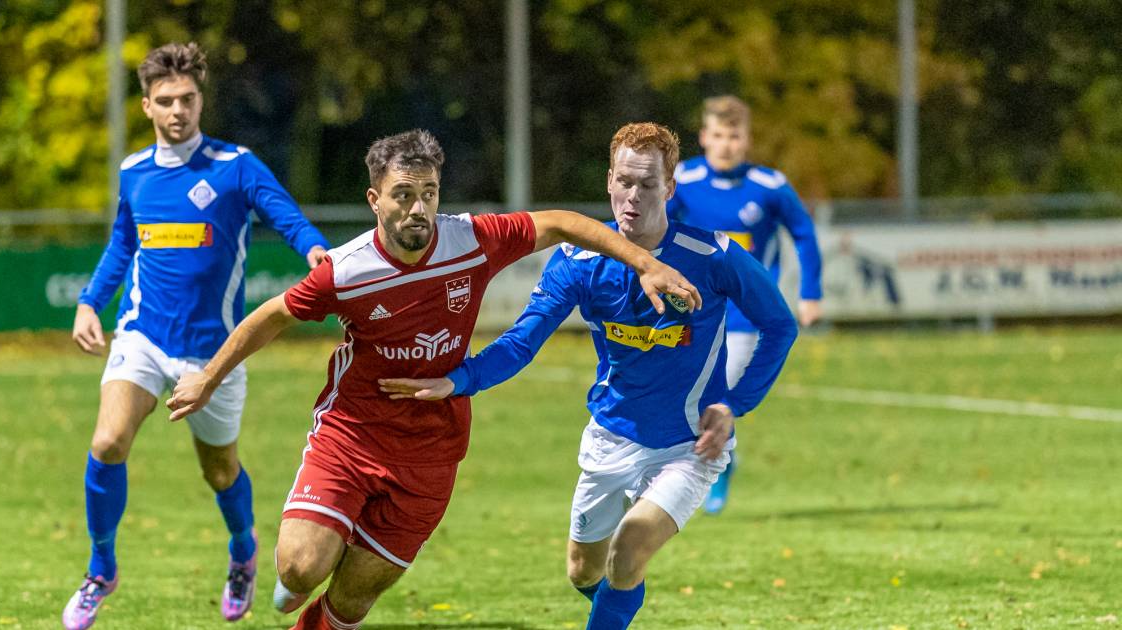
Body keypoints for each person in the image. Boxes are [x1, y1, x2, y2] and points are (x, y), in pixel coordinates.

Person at [164, 129, 700, 630]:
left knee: (351, 600)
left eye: (429, 192)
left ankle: (335, 561)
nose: (418, 208)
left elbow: (562, 221)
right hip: (352, 436)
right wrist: (208, 378)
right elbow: (274, 314)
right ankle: (317, 549)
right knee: (301, 567)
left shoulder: (469, 240)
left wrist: (642, 263)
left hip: (431, 450)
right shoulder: (346, 271)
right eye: (402, 194)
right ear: (375, 201)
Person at [379, 122, 798, 629]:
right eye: (624, 181)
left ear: (669, 187)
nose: (633, 196)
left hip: (687, 446)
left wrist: (734, 404)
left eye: (647, 184)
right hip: (609, 438)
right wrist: (460, 380)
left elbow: (779, 325)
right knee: (583, 572)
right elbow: (522, 341)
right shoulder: (578, 262)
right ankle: (615, 612)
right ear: (608, 180)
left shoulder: (714, 257)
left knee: (628, 550)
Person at [64, 42, 329, 629]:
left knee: (219, 470)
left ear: (200, 99)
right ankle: (101, 567)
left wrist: (313, 248)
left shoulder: (235, 166)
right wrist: (89, 302)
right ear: (147, 106)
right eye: (166, 101)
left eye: (187, 98)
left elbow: (282, 212)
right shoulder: (134, 174)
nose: (178, 110)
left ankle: (242, 550)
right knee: (107, 442)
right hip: (143, 337)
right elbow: (122, 247)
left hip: (215, 353)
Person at [667, 95, 823, 513]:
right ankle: (708, 461)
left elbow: (803, 234)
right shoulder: (682, 179)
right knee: (684, 393)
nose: (725, 145)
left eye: (734, 136)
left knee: (719, 395)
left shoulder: (769, 186)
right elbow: (654, 225)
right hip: (692, 307)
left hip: (744, 314)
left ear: (746, 140)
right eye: (718, 135)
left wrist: (810, 293)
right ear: (703, 137)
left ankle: (718, 466)